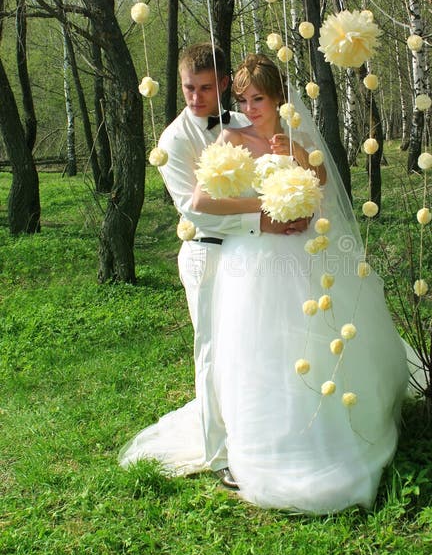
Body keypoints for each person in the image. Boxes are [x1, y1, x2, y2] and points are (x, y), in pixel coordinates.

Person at [193, 54, 411, 513]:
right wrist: (260, 211)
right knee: (263, 346)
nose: (251, 108)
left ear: (278, 98)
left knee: (314, 340)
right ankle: (268, 442)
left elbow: (322, 179)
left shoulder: (294, 135)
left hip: (307, 251)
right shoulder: (229, 138)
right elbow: (203, 199)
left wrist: (296, 163)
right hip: (255, 259)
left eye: (259, 99)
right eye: (244, 99)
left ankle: (325, 427)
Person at [119, 44, 306, 485]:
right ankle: (218, 454)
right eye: (188, 88)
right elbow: (195, 207)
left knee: (253, 349)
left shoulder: (243, 121)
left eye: (205, 88)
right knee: (210, 352)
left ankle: (260, 434)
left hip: (252, 256)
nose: (196, 98)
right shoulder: (173, 141)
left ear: (222, 85)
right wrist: (264, 218)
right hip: (206, 252)